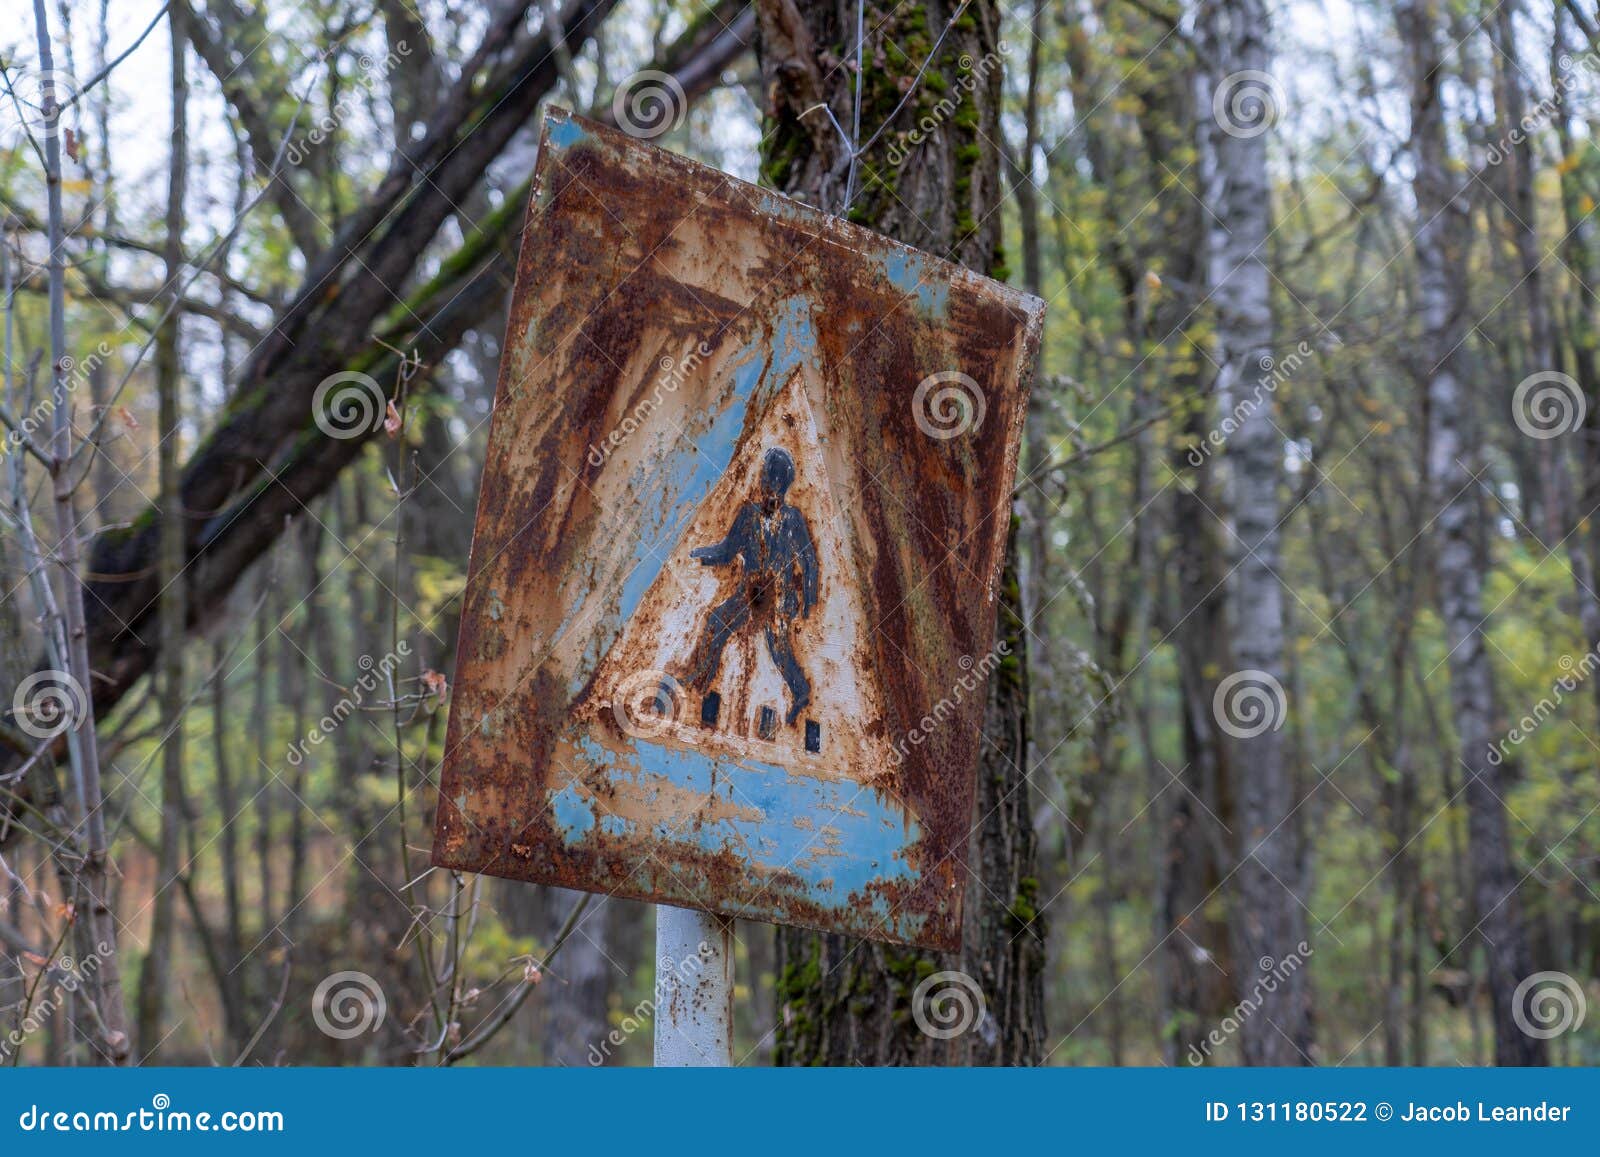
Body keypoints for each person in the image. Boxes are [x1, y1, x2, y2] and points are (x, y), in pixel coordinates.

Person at [687, 447, 819, 726]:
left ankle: (801, 693)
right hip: (749, 594)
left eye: (777, 483)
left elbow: (809, 560)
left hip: (779, 597)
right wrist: (699, 556)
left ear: (784, 485)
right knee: (717, 623)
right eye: (769, 480)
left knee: (779, 649)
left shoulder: (793, 519)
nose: (771, 487)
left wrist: (809, 600)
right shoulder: (749, 514)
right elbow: (727, 550)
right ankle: (700, 678)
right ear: (762, 481)